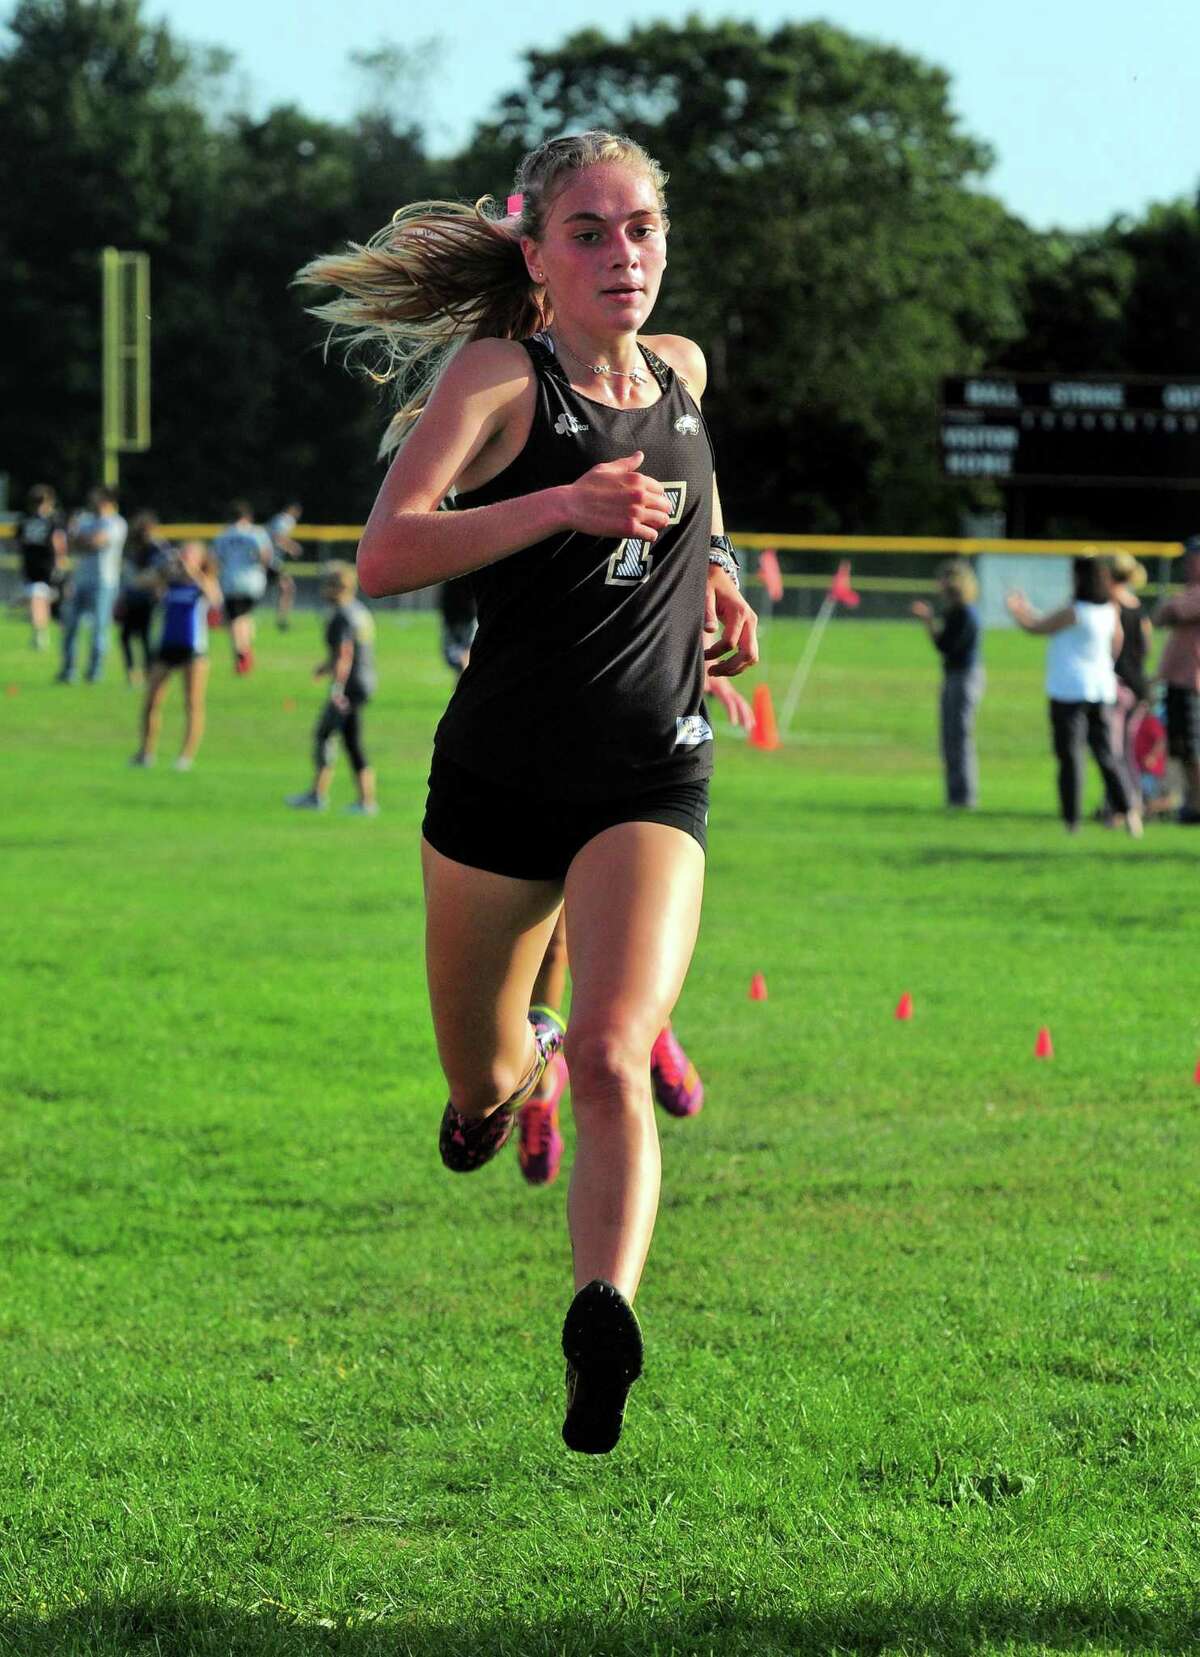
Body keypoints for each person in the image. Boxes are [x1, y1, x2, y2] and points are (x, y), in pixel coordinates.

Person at [298, 129, 757, 1454]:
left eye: (646, 229)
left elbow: (695, 501)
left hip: (649, 769)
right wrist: (562, 504)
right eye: (593, 232)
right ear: (539, 253)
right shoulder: (503, 375)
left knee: (622, 1048)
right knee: (478, 1095)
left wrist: (717, 574)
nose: (627, 256)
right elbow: (388, 553)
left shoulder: (682, 372)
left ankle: (600, 1313)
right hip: (498, 778)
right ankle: (517, 1075)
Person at [517, 669, 755, 1187]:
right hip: (537, 737)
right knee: (549, 935)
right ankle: (540, 1092)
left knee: (621, 926)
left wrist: (697, 666)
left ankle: (652, 1031)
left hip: (637, 743)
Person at [1006, 556, 1141, 837]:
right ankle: (1129, 813)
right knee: (1107, 755)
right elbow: (1116, 645)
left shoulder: (1075, 611)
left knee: (1070, 757)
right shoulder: (1109, 610)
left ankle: (1072, 821)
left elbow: (1037, 627)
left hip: (1069, 691)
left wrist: (1016, 611)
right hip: (1101, 689)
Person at [286, 562, 378, 815]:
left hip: (350, 686)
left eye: (327, 584)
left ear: (337, 587)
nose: (322, 589)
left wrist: (337, 689)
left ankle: (327, 797)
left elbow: (345, 654)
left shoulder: (341, 615)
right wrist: (325, 667)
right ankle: (350, 798)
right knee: (349, 739)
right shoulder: (358, 610)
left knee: (328, 735)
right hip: (364, 681)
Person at [130, 541, 222, 770]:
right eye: (183, 553)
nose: (185, 557)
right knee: (151, 701)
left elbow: (216, 600)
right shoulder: (168, 582)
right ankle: (146, 753)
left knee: (192, 704)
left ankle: (185, 757)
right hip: (166, 647)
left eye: (190, 554)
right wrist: (162, 569)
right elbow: (139, 582)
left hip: (193, 651)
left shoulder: (203, 583)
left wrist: (194, 573)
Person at [911, 558, 984, 809]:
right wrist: (930, 621)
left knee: (960, 738)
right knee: (950, 738)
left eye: (943, 579)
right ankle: (955, 797)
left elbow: (945, 646)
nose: (938, 584)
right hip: (954, 676)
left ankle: (964, 798)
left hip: (964, 678)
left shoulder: (964, 613)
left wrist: (929, 621)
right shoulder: (954, 611)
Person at [58, 485, 127, 684]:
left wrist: (81, 539)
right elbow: (72, 542)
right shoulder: (86, 520)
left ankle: (94, 672)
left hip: (104, 582)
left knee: (99, 628)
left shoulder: (116, 523)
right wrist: (81, 539)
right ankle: (68, 670)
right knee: (70, 626)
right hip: (80, 580)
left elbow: (96, 542)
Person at [1152, 538, 1200, 824]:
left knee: (1194, 748)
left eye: (1194, 558)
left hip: (1193, 682)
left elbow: (1170, 612)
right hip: (1177, 680)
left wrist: (1174, 606)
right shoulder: (1189, 592)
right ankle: (1192, 804)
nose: (1189, 564)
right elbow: (1161, 615)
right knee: (1181, 747)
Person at [1107, 550, 1153, 820]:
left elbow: (1113, 646)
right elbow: (1146, 647)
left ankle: (1120, 807)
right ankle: (1133, 801)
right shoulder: (1138, 606)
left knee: (1114, 751)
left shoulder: (1112, 606)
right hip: (1140, 685)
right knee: (1128, 751)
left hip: (1119, 685)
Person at [212, 501, 272, 673]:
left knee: (234, 619)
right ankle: (246, 648)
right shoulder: (256, 532)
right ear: (247, 517)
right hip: (254, 581)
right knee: (244, 615)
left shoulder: (223, 535)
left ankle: (240, 652)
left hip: (231, 581)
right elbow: (265, 556)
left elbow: (215, 560)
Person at [119, 508, 171, 685]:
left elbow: (164, 570)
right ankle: (132, 672)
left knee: (146, 637)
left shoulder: (158, 547)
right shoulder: (132, 547)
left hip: (148, 597)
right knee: (125, 636)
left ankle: (150, 673)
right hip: (132, 596)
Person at [16, 484, 68, 652]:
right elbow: (58, 541)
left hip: (38, 565)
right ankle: (43, 633)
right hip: (44, 565)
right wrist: (61, 560)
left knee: (40, 600)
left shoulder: (25, 519)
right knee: (40, 600)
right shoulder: (52, 520)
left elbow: (21, 542)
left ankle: (41, 634)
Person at [266, 500, 304, 631]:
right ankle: (282, 620)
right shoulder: (285, 520)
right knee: (288, 587)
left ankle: (281, 619)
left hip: (272, 561)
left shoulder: (278, 519)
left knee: (286, 588)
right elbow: (277, 537)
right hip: (271, 561)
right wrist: (292, 547)